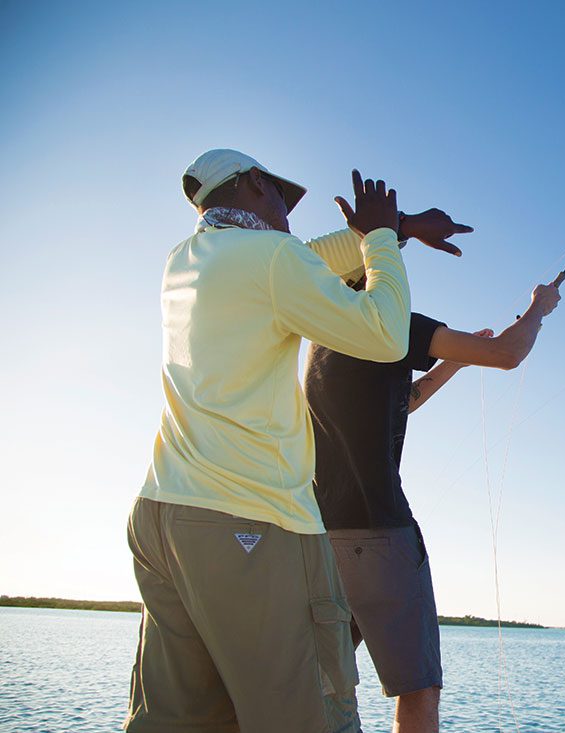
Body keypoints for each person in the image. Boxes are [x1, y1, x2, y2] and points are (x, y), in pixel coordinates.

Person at [126, 148, 456, 733]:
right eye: (283, 197)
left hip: (162, 516)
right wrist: (381, 237)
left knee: (179, 721)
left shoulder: (184, 260)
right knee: (311, 716)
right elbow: (383, 332)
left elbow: (302, 259)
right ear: (255, 184)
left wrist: (400, 229)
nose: (289, 213)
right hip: (250, 521)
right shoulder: (271, 259)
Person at [303, 269, 563, 733]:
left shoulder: (322, 339)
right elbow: (507, 353)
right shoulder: (390, 318)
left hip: (322, 537)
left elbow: (406, 399)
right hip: (381, 532)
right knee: (418, 688)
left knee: (326, 681)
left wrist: (456, 363)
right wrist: (538, 308)